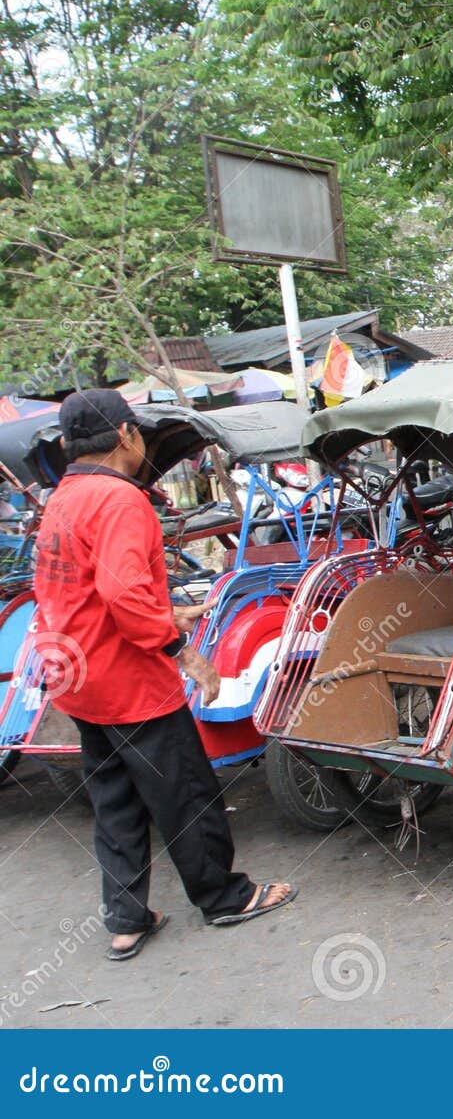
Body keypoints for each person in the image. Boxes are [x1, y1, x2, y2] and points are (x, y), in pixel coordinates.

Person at [31, 390, 297, 961]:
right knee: (186, 792)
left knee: (116, 799)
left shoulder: (65, 497)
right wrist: (183, 649)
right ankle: (225, 896)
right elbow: (123, 595)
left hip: (78, 678)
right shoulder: (117, 500)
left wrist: (160, 610)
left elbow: (84, 589)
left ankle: (126, 918)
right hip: (129, 681)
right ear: (127, 436)